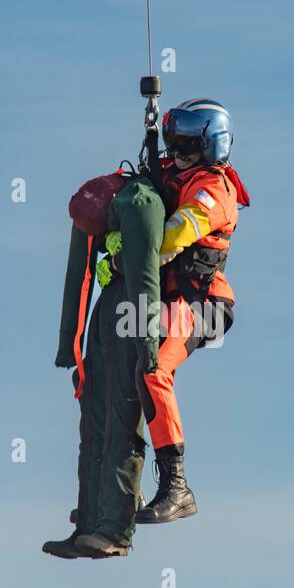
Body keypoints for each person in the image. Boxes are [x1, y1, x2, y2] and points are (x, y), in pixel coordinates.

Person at [135, 99, 250, 524]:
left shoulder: (214, 192)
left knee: (153, 369)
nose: (177, 157)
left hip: (204, 304)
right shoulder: (174, 175)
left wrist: (132, 247)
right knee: (130, 375)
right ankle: (124, 488)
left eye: (186, 148)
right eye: (173, 146)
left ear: (209, 149)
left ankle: (177, 488)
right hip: (168, 302)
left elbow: (173, 236)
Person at [44, 175, 164, 558]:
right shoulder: (95, 205)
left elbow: (145, 276)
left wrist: (147, 345)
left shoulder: (139, 204)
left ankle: (115, 530)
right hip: (109, 311)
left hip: (132, 309)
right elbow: (77, 274)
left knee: (121, 419)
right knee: (93, 421)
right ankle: (89, 523)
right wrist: (71, 348)